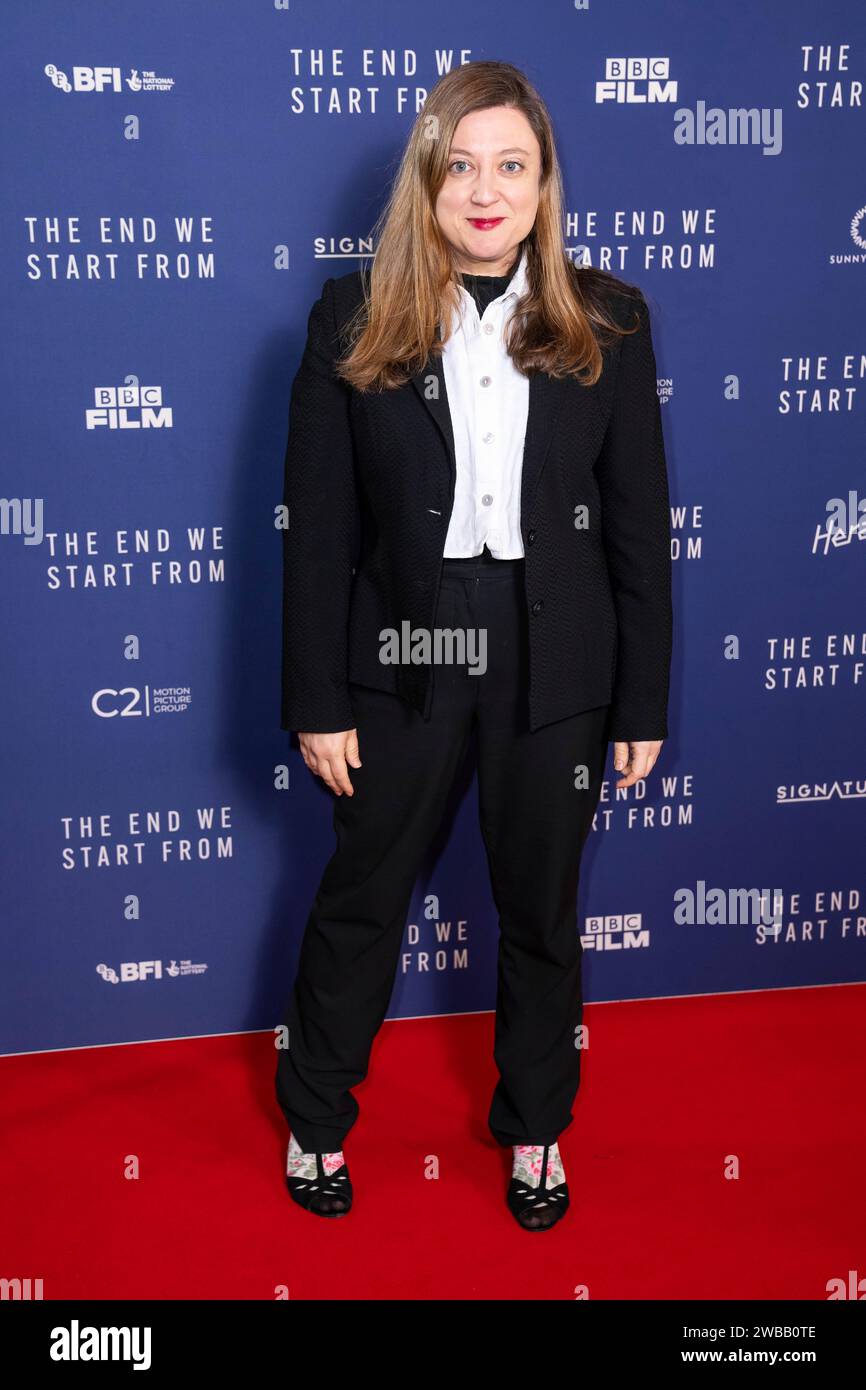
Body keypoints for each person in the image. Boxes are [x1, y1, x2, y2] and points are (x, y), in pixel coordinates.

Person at [275, 60, 673, 1231]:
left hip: (558, 648)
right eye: (460, 166)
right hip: (407, 637)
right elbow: (316, 537)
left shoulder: (608, 319)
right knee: (365, 892)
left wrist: (640, 703)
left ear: (544, 184)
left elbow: (640, 535)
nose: (485, 190)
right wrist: (316, 697)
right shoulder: (351, 318)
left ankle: (536, 1130)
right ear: (427, 182)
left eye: (511, 165)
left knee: (543, 907)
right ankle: (315, 1119)